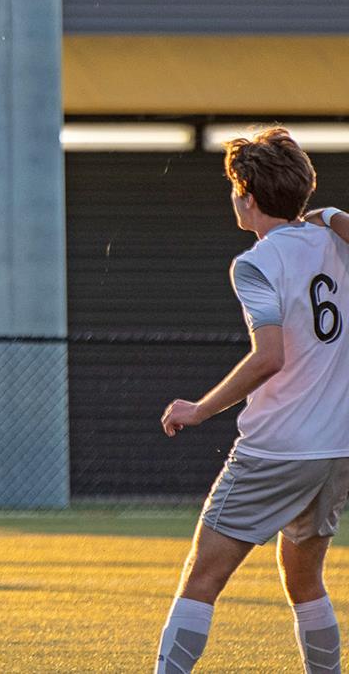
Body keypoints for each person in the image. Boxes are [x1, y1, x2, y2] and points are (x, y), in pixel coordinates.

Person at [156, 128, 349, 674]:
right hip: (337, 449)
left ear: (246, 195)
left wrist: (199, 408)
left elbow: (270, 357)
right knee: (304, 577)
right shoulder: (336, 240)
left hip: (277, 448)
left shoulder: (255, 263)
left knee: (202, 578)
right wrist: (333, 214)